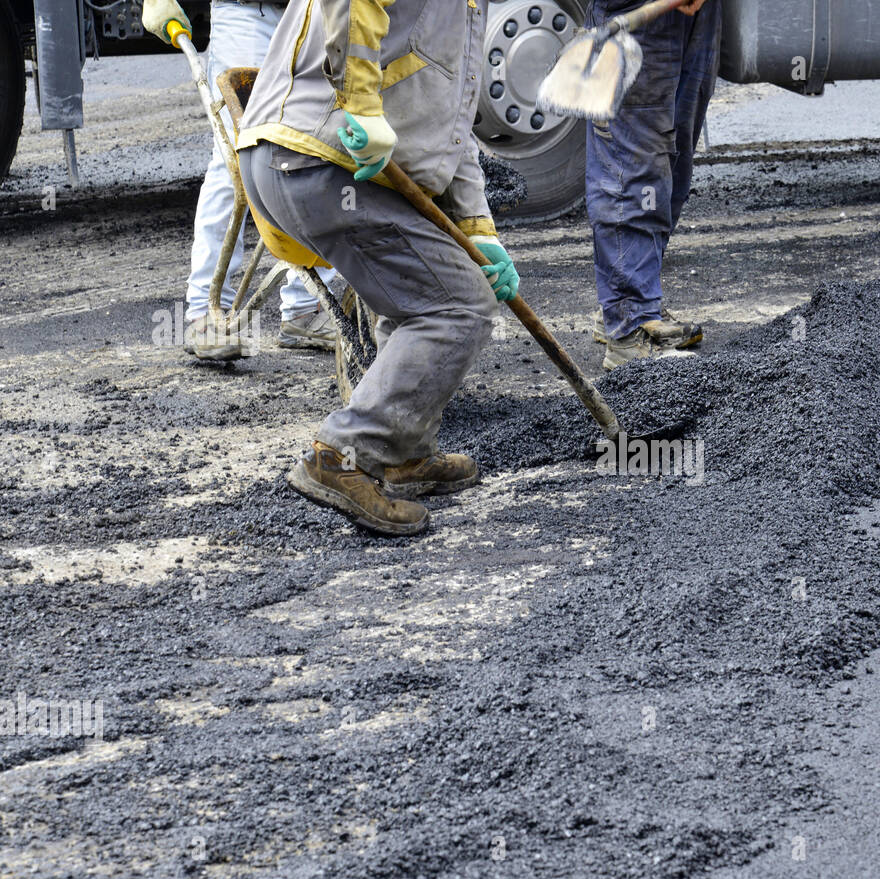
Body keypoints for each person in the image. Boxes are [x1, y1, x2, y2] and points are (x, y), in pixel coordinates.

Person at [225, 0, 517, 536]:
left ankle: (402, 453)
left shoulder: (470, 10)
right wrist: (361, 106)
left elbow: (450, 132)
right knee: (460, 306)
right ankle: (345, 453)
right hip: (319, 158)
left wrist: (479, 230)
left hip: (309, 165)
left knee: (416, 298)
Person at [143, 0, 343, 361]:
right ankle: (205, 310)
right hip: (249, 10)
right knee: (235, 153)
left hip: (317, 10)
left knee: (316, 148)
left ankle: (306, 310)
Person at [585, 0, 721, 370]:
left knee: (671, 158)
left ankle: (631, 303)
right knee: (635, 163)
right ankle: (629, 326)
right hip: (637, 10)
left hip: (696, 14)